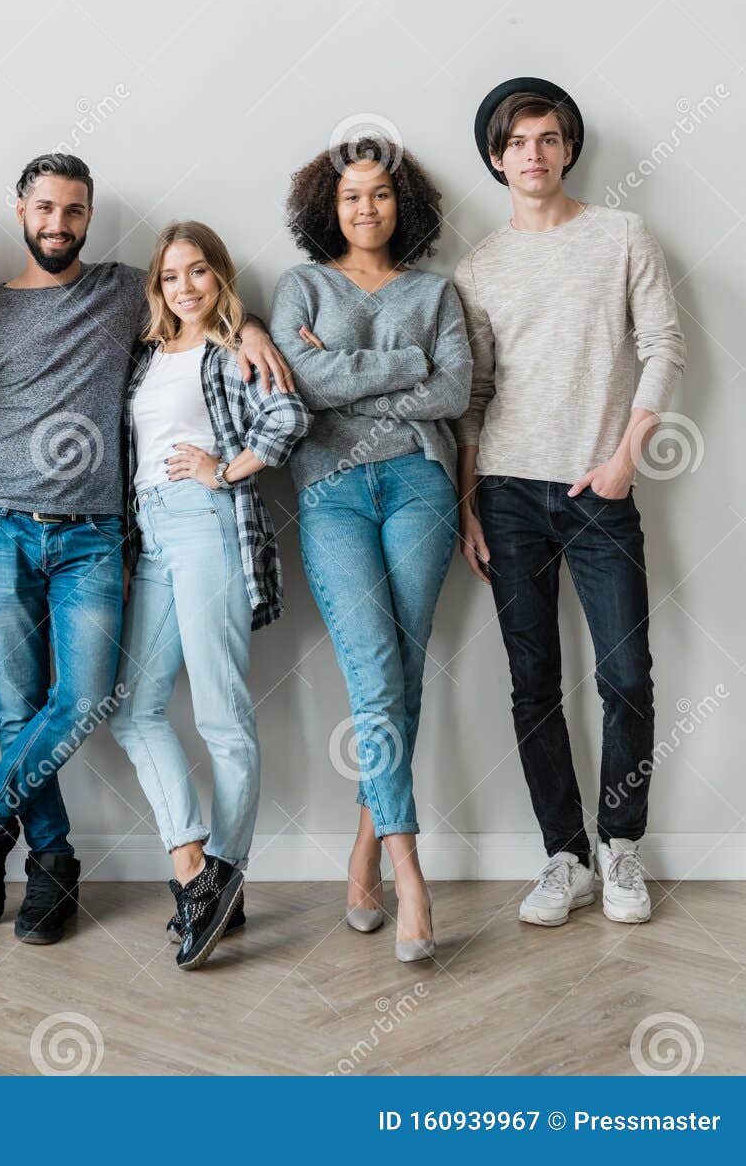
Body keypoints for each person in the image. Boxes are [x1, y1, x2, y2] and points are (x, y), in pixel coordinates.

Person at [0, 154, 292, 947]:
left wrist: (253, 328)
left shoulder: (125, 291)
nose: (58, 224)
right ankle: (52, 865)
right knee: (18, 704)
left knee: (87, 697)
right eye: (45, 209)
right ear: (21, 211)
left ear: (89, 217)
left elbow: (199, 300)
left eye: (73, 210)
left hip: (96, 533)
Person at [454, 77, 686, 927]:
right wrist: (468, 503)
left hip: (599, 490)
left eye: (547, 138)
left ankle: (620, 845)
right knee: (533, 684)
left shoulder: (622, 235)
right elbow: (475, 394)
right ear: (495, 158)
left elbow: (664, 346)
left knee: (626, 676)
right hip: (508, 494)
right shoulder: (477, 267)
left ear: (568, 149)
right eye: (516, 143)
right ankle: (565, 857)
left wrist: (625, 459)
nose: (533, 154)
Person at [270, 136, 471, 962]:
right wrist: (404, 362)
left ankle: (363, 852)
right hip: (331, 491)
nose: (365, 208)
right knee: (373, 673)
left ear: (402, 204)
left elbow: (453, 390)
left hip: (421, 482)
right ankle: (408, 873)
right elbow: (299, 382)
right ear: (328, 207)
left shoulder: (435, 290)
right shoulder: (301, 286)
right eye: (351, 195)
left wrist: (345, 372)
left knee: (401, 672)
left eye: (380, 194)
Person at [110, 223, 311, 970]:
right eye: (170, 276)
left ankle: (225, 871)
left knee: (220, 714)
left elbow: (289, 416)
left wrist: (223, 470)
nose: (185, 287)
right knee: (133, 711)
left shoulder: (232, 351)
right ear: (157, 288)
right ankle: (195, 869)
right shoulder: (144, 357)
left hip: (205, 523)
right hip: (152, 534)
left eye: (198, 271)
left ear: (219, 275)